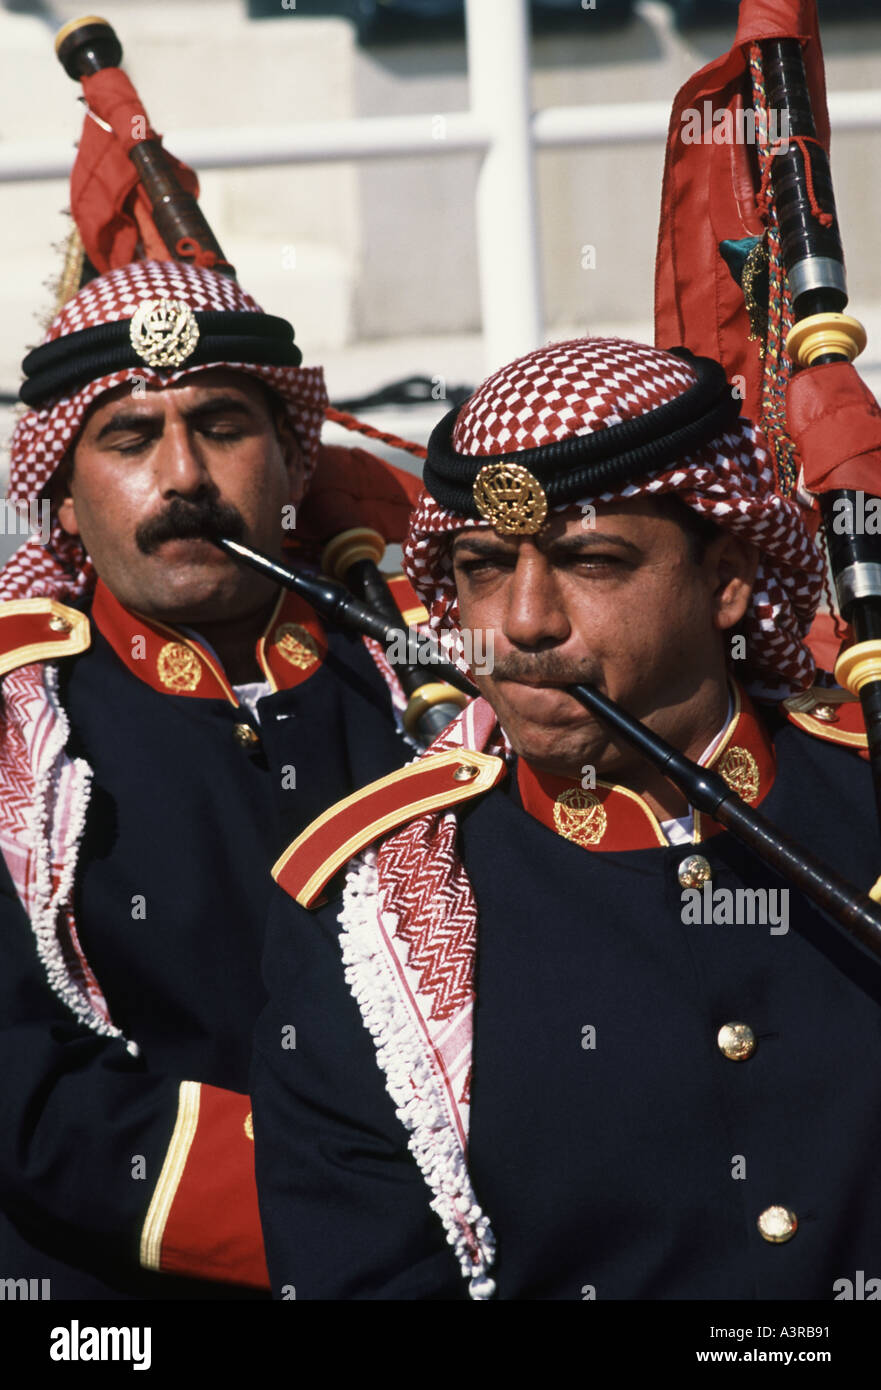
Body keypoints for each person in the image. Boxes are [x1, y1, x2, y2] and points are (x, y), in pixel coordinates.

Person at [251, 335, 881, 1301]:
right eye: (483, 568)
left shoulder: (860, 792)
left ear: (728, 581)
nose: (525, 622)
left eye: (590, 559)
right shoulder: (376, 909)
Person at [0, 254, 424, 1299]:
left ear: (290, 462)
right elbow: (25, 1088)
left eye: (223, 428)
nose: (184, 476)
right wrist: (351, 1222)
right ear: (60, 499)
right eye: (131, 439)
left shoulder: (419, 687)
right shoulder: (21, 738)